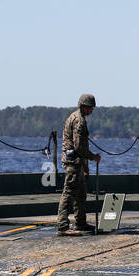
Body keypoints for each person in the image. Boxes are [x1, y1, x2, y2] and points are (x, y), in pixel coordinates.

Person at [56, 93, 101, 234]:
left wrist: (85, 163)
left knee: (81, 194)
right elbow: (79, 147)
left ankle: (80, 223)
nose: (91, 111)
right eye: (90, 108)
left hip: (78, 162)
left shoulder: (76, 117)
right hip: (73, 162)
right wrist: (93, 157)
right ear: (83, 106)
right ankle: (62, 226)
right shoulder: (79, 121)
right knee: (69, 193)